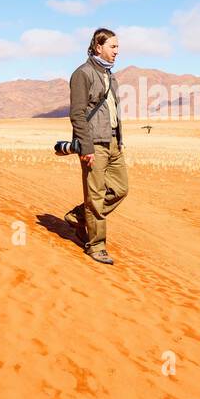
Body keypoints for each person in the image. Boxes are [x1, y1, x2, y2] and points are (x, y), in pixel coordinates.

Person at [64, 28, 128, 265]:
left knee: (121, 189)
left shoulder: (111, 76)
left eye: (118, 47)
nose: (117, 52)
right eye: (113, 47)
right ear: (98, 47)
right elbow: (77, 113)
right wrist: (86, 146)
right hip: (94, 144)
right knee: (95, 195)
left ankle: (80, 215)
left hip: (113, 142)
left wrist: (119, 140)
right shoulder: (83, 74)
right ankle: (96, 245)